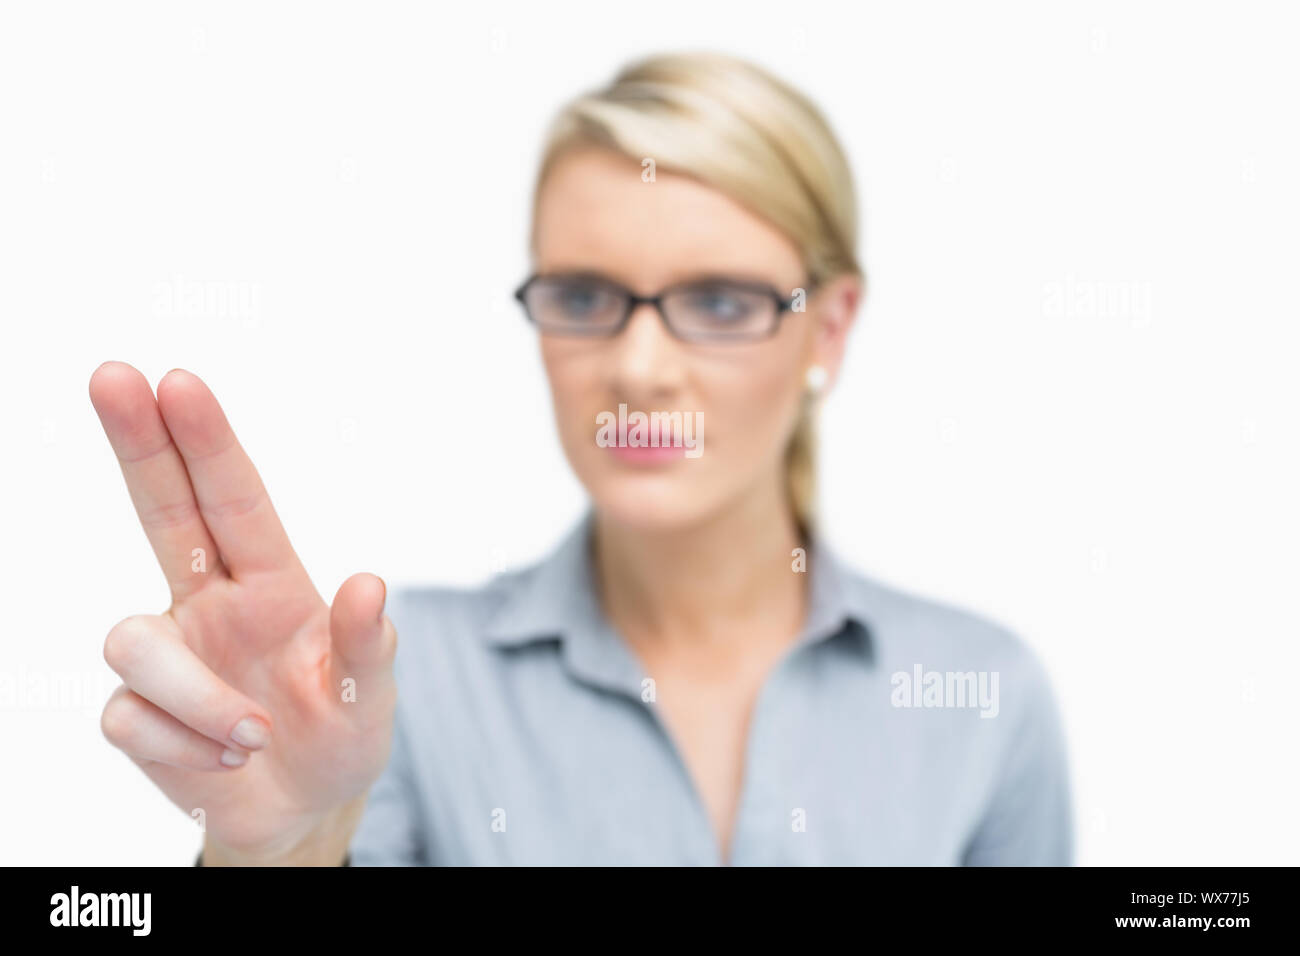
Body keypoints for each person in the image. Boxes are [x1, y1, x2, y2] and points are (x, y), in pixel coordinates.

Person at [90, 51, 1072, 866]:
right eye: (586, 297)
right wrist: (287, 849)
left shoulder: (981, 692)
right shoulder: (382, 684)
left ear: (827, 330)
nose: (638, 369)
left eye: (721, 302)